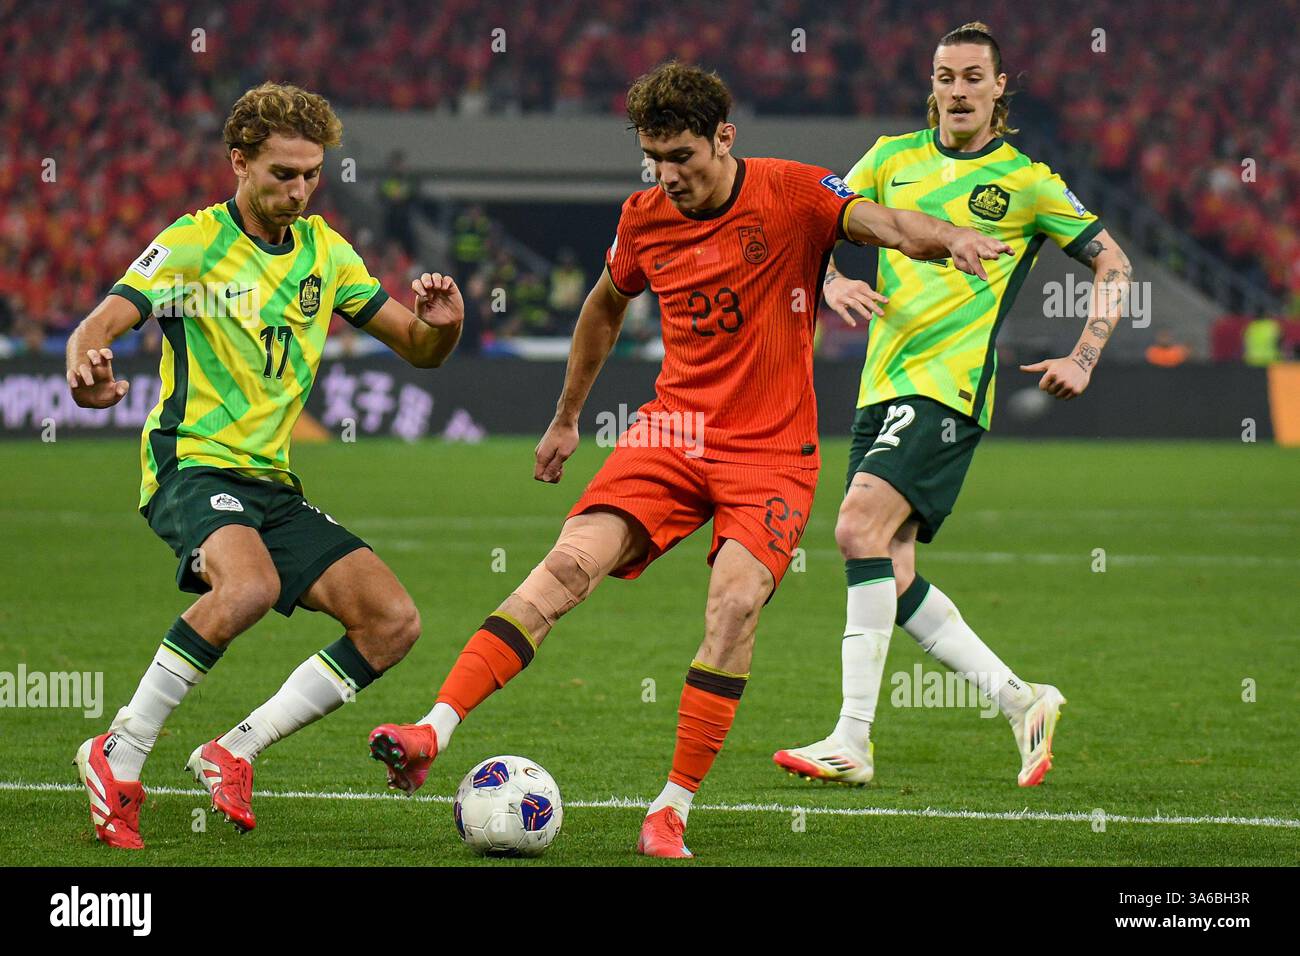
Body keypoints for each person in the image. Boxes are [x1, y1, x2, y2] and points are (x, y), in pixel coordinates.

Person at [367, 61, 1010, 858]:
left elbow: (883, 223)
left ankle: (670, 808)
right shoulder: (643, 218)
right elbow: (604, 307)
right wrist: (566, 418)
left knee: (733, 606)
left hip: (772, 451)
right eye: (655, 159)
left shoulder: (794, 192)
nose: (668, 176)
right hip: (671, 433)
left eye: (683, 158)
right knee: (566, 568)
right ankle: (432, 731)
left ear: (724, 139)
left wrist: (947, 236)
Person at [66, 82, 464, 849]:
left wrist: (444, 328)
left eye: (312, 173)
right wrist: (88, 369)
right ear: (239, 162)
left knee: (392, 621)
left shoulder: (326, 253)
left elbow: (417, 347)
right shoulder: (193, 245)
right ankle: (119, 752)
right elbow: (102, 320)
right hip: (192, 465)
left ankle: (233, 749)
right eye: (283, 173)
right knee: (250, 587)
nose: (300, 189)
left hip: (270, 483)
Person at [774, 22, 1134, 788]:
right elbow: (812, 221)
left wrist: (1085, 353)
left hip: (949, 386)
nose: (959, 90)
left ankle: (852, 739)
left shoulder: (1029, 182)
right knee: (890, 567)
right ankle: (1021, 700)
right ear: (931, 84)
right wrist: (833, 282)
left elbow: (1114, 262)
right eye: (946, 77)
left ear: (1000, 87)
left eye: (975, 76)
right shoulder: (887, 158)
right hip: (882, 387)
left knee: (852, 527)